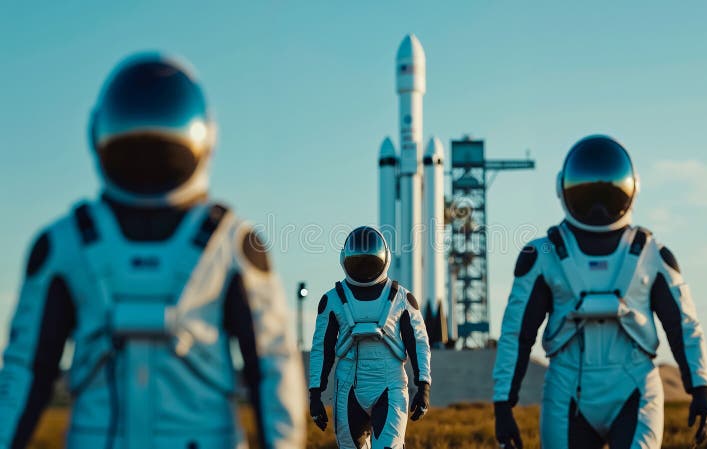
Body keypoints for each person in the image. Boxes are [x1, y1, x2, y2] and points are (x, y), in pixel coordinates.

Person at [0, 53, 306, 449]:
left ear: (96, 131)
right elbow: (273, 370)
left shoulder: (64, 244)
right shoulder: (234, 244)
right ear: (209, 136)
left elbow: (24, 375)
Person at [492, 135, 707, 449]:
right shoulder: (543, 255)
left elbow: (683, 327)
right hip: (570, 390)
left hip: (631, 389)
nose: (598, 205)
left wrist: (700, 389)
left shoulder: (652, 255)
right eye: (589, 192)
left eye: (604, 192)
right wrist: (503, 403)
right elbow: (517, 333)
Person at [308, 226, 431, 449]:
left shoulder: (402, 299)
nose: (364, 265)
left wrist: (424, 387)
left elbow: (419, 344)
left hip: (390, 385)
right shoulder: (333, 300)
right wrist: (315, 394)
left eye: (369, 258)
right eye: (359, 259)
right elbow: (321, 349)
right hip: (348, 390)